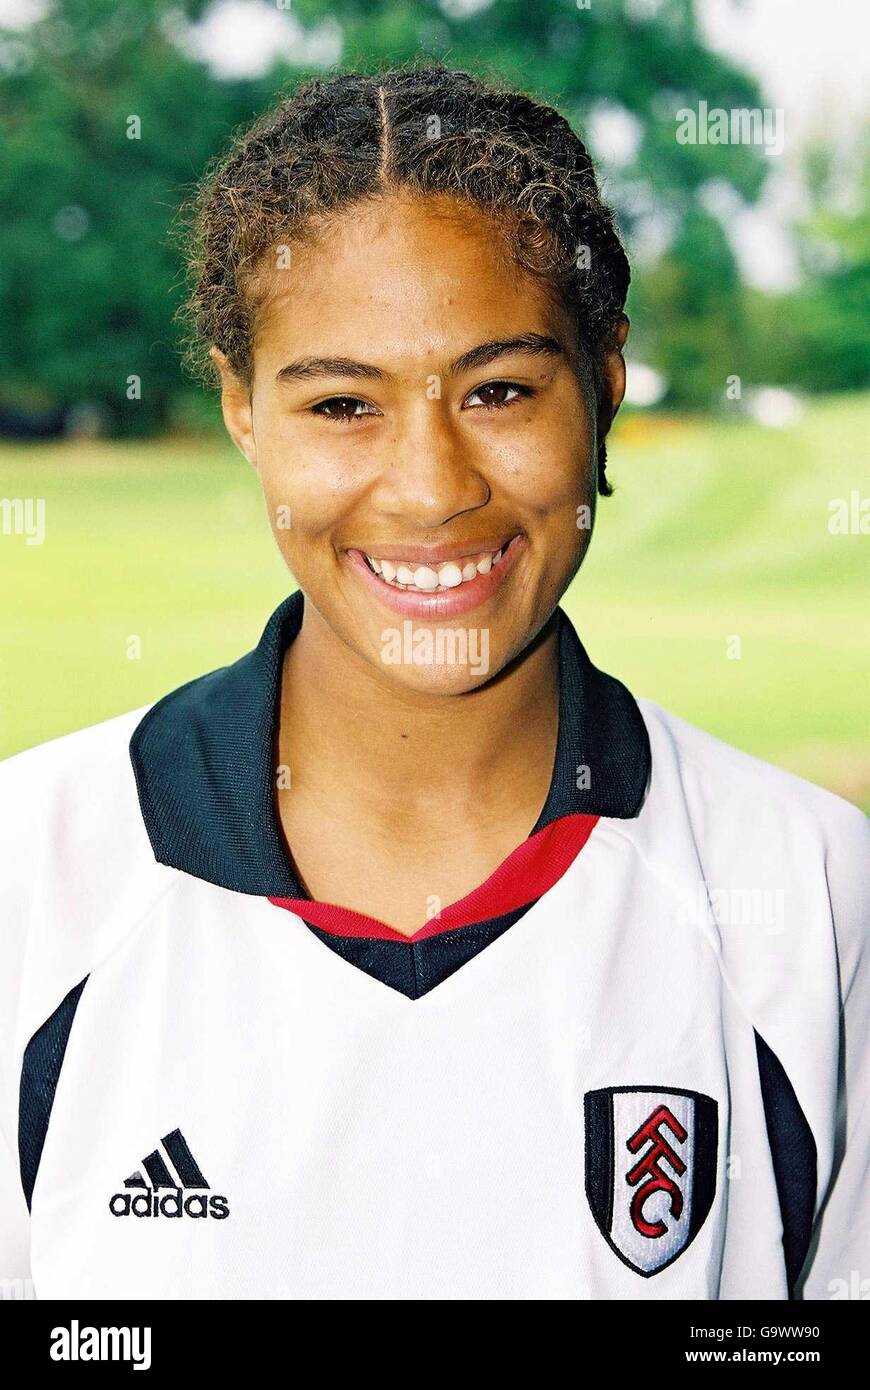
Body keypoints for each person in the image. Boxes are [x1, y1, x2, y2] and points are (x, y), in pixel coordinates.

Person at [1, 64, 867, 1301]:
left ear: (605, 382)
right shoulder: (31, 878)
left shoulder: (814, 895)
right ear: (244, 407)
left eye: (500, 390)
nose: (430, 486)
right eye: (343, 402)